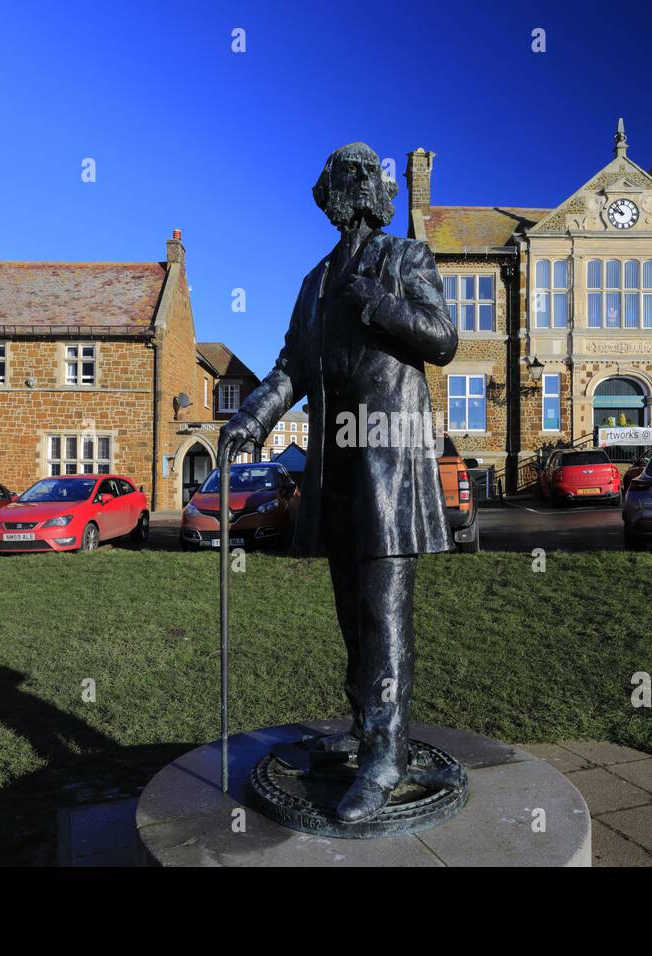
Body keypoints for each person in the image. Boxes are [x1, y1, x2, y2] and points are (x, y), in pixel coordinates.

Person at [218, 143, 457, 823]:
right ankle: (362, 727)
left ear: (355, 193)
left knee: (384, 616)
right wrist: (253, 416)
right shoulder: (315, 283)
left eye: (336, 185)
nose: (331, 197)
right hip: (337, 465)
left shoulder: (404, 259)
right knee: (351, 610)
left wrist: (378, 302)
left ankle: (385, 752)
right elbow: (293, 366)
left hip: (390, 461)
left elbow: (441, 339)